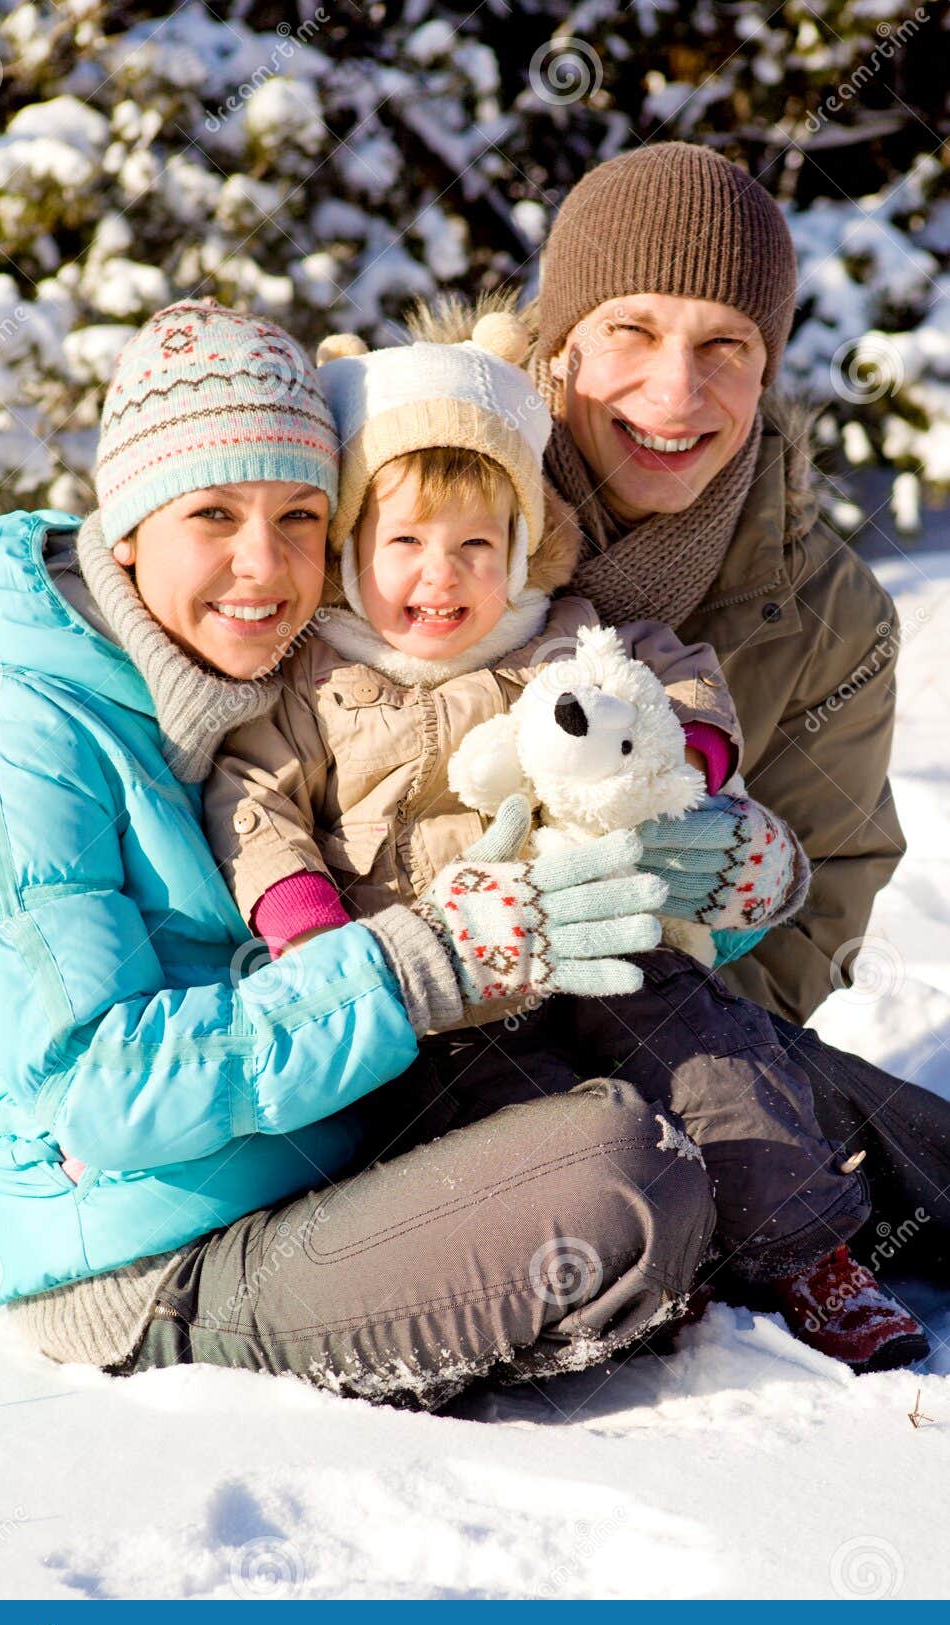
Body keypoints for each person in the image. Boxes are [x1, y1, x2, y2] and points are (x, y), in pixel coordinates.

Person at [0, 300, 715, 1407]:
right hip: (152, 1256)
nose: (261, 565)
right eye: (214, 514)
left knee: (736, 1068)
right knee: (624, 1174)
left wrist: (673, 870)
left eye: (299, 518)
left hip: (321, 1155)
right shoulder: (16, 737)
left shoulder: (216, 680)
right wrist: (414, 962)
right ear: (128, 526)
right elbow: (101, 1089)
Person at [200, 312, 923, 1372]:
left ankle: (810, 1249)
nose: (439, 579)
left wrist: (691, 777)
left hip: (599, 948)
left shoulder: (559, 633)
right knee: (530, 1126)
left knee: (717, 1056)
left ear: (523, 544)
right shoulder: (314, 678)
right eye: (403, 542)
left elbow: (672, 683)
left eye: (474, 546)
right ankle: (658, 1254)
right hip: (433, 1002)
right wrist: (308, 924)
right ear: (351, 546)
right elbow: (251, 800)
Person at [525, 139, 906, 1028]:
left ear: (766, 366)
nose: (676, 392)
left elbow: (820, 905)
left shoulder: (830, 618)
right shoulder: (407, 513)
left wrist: (650, 1042)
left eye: (724, 344)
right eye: (632, 330)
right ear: (560, 345)